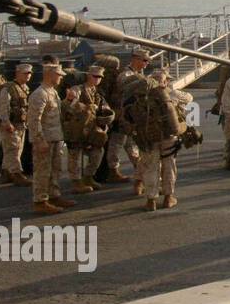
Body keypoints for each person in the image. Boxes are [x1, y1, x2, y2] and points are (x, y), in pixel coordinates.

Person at [137, 67, 189, 211]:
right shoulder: (171, 94)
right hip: (169, 137)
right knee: (169, 166)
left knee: (151, 167)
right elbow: (189, 97)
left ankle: (151, 200)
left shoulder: (142, 96)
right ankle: (168, 197)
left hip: (149, 137)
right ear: (165, 81)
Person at [27, 58, 75, 214]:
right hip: (45, 139)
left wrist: (67, 101)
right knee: (42, 171)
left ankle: (54, 195)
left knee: (55, 169)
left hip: (55, 137)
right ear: (50, 74)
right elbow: (34, 120)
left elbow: (56, 112)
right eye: (59, 75)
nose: (61, 77)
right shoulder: (39, 94)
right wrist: (39, 140)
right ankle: (40, 201)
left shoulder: (52, 92)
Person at [62, 65, 111, 193]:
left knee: (97, 153)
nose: (97, 79)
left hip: (92, 129)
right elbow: (69, 106)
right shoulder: (77, 89)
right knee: (75, 155)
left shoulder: (97, 92)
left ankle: (88, 176)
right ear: (89, 76)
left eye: (100, 77)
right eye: (95, 76)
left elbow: (105, 107)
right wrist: (88, 108)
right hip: (76, 128)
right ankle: (76, 181)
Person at [104, 47, 149, 182]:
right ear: (135, 59)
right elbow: (126, 91)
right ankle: (113, 170)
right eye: (144, 60)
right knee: (117, 143)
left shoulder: (138, 73)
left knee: (131, 143)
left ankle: (138, 167)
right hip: (122, 114)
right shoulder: (126, 75)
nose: (146, 63)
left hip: (132, 115)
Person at [0, 63, 33, 187]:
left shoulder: (24, 88)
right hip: (11, 124)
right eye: (25, 73)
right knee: (13, 149)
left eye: (29, 73)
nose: (28, 76)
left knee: (15, 150)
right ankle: (17, 174)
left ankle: (7, 173)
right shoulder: (8, 88)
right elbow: (3, 106)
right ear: (17, 73)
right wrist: (6, 122)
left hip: (21, 124)